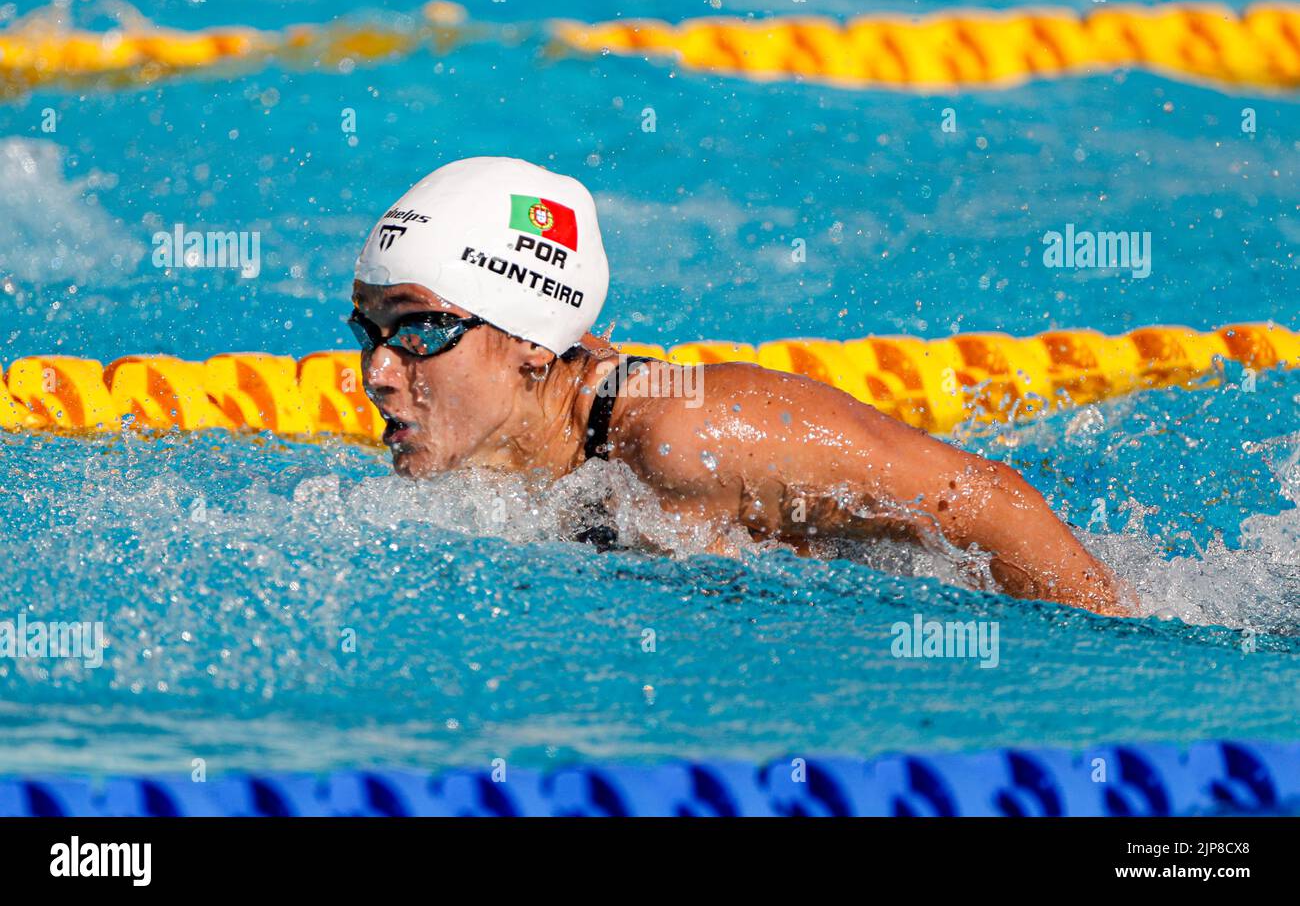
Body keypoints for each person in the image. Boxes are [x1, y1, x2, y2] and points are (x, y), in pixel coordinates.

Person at [351, 157, 1128, 616]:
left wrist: (1112, 658)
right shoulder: (501, 459)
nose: (378, 372)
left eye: (417, 330)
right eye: (369, 331)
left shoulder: (689, 432)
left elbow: (987, 499)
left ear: (528, 338)